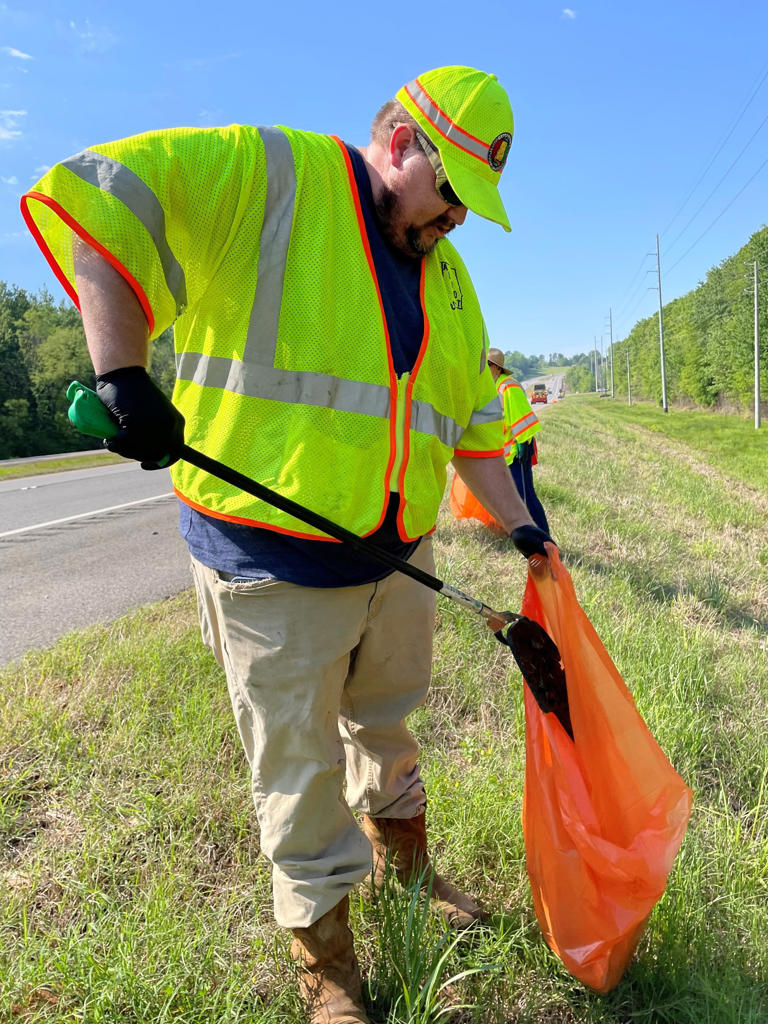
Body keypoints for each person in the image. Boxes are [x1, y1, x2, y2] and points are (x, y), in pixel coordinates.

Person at [21, 66, 554, 1024]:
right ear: (399, 146)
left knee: (387, 724)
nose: (457, 222)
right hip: (270, 559)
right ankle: (330, 969)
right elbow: (99, 192)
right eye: (451, 194)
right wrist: (120, 372)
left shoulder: (450, 277)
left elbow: (472, 427)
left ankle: (408, 875)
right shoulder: (271, 177)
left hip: (398, 557)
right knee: (299, 771)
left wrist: (520, 524)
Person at [486, 348, 550, 534]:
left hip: (517, 450)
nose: (483, 369)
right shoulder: (495, 387)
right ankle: (525, 535)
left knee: (526, 496)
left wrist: (523, 445)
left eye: (487, 365)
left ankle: (544, 539)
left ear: (497, 368)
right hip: (505, 454)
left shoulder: (508, 386)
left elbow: (522, 418)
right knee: (515, 497)